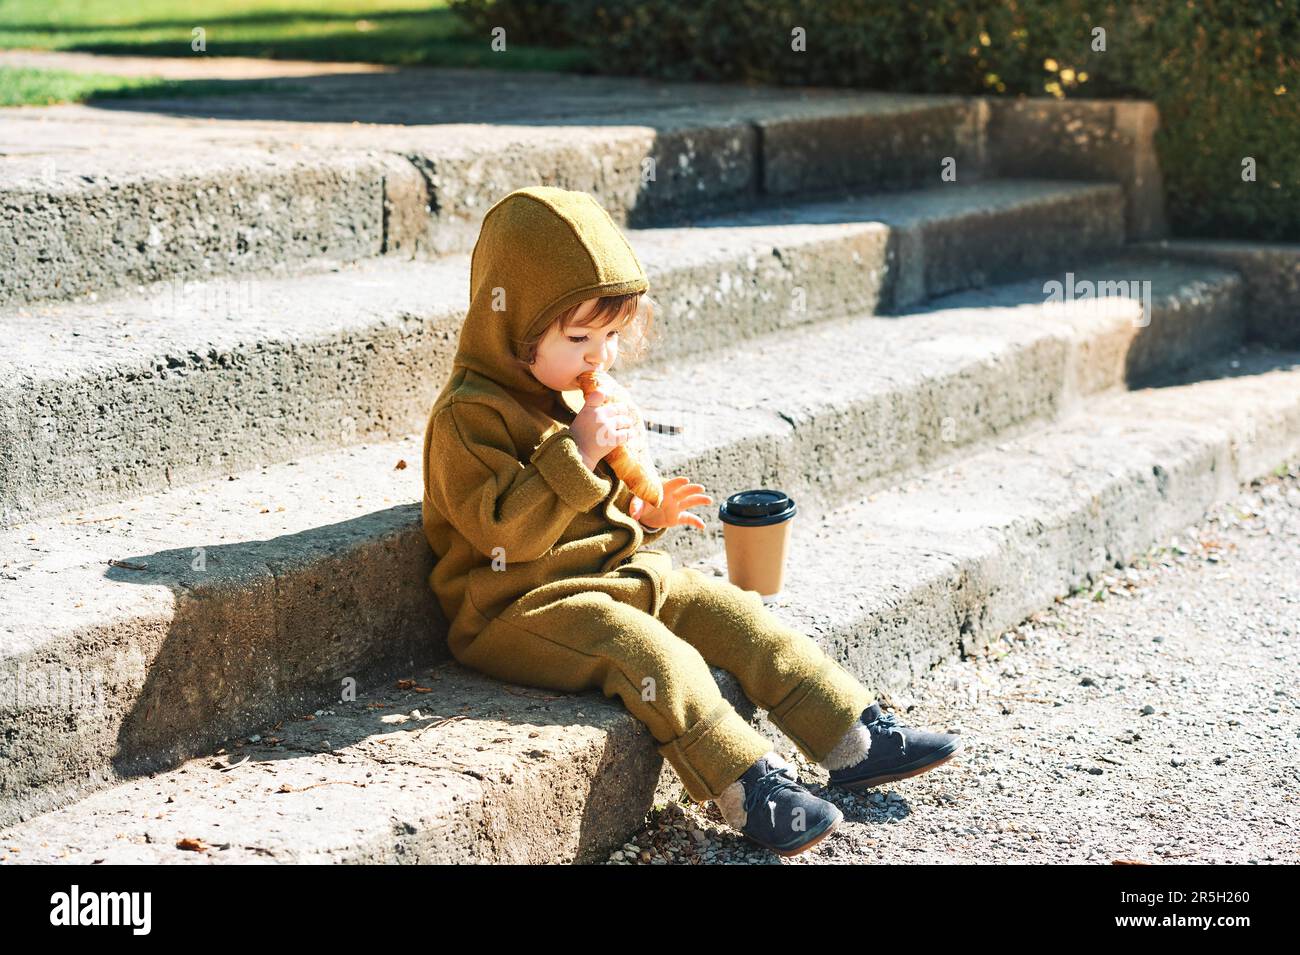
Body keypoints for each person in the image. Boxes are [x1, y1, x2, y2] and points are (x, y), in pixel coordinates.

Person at [421, 186, 961, 857]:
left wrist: (645, 514)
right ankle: (749, 786)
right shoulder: (469, 417)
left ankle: (852, 737)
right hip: (518, 606)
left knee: (735, 611)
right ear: (511, 327)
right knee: (652, 654)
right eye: (579, 337)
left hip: (614, 575)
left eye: (612, 336)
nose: (600, 356)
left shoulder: (570, 395)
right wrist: (578, 449)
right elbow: (511, 538)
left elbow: (591, 512)